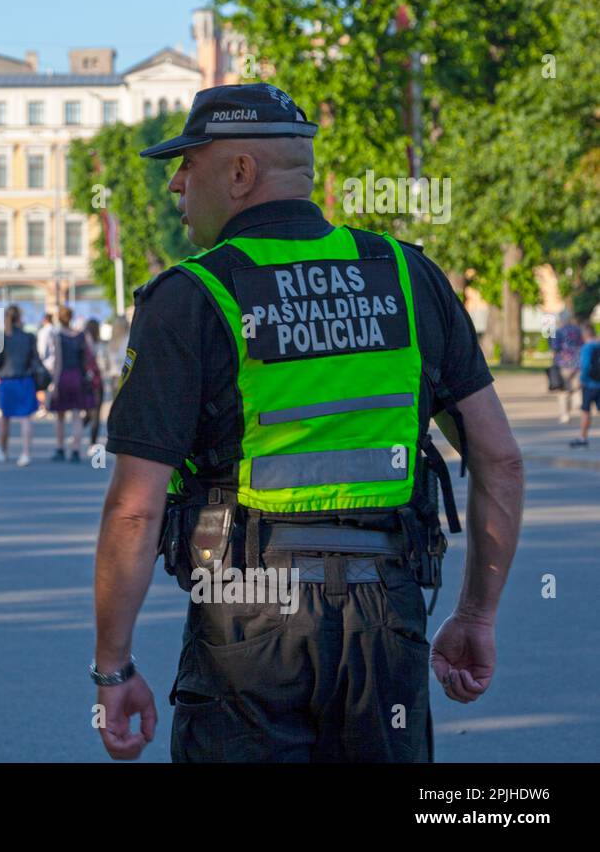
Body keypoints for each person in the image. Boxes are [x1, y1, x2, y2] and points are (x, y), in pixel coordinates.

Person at [92, 83, 524, 762]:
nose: (177, 184)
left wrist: (112, 668)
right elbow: (500, 459)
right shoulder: (408, 277)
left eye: (189, 163)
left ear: (239, 174)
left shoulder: (193, 295)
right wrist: (476, 615)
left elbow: (136, 510)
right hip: (387, 616)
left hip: (247, 621)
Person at [0, 305, 39, 466]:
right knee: (25, 419)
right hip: (25, 379)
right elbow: (35, 358)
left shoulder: (1, 336)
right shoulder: (29, 336)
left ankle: (3, 451)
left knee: (4, 418)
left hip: (6, 380)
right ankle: (25, 453)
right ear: (20, 317)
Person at [48, 306, 95, 462]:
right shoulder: (81, 335)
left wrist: (54, 384)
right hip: (78, 377)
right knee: (77, 415)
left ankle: (60, 448)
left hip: (63, 376)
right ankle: (76, 450)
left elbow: (58, 361)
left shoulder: (58, 336)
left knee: (60, 416)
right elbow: (91, 354)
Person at [550, 311, 584, 423]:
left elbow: (555, 347)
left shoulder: (557, 331)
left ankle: (565, 415)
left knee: (563, 390)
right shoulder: (577, 329)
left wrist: (553, 360)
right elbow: (582, 344)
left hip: (563, 363)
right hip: (578, 362)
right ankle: (577, 402)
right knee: (577, 387)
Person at [570, 323, 599, 448]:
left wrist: (582, 380)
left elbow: (585, 365)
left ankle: (583, 437)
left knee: (586, 411)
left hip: (590, 384)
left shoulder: (587, 347)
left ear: (585, 334)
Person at [81, 317, 108, 452]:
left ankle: (78, 431)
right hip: (97, 382)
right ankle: (93, 443)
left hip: (84, 381)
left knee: (87, 409)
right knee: (96, 411)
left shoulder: (82, 344)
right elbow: (103, 365)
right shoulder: (100, 345)